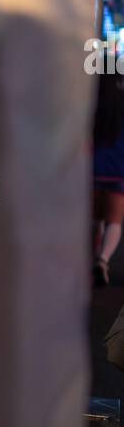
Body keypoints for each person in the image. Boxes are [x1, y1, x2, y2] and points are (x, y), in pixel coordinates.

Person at [92, 73, 124, 286]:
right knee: (115, 220)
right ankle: (103, 260)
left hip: (94, 167)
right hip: (118, 168)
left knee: (96, 218)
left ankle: (92, 257)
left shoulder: (94, 105)